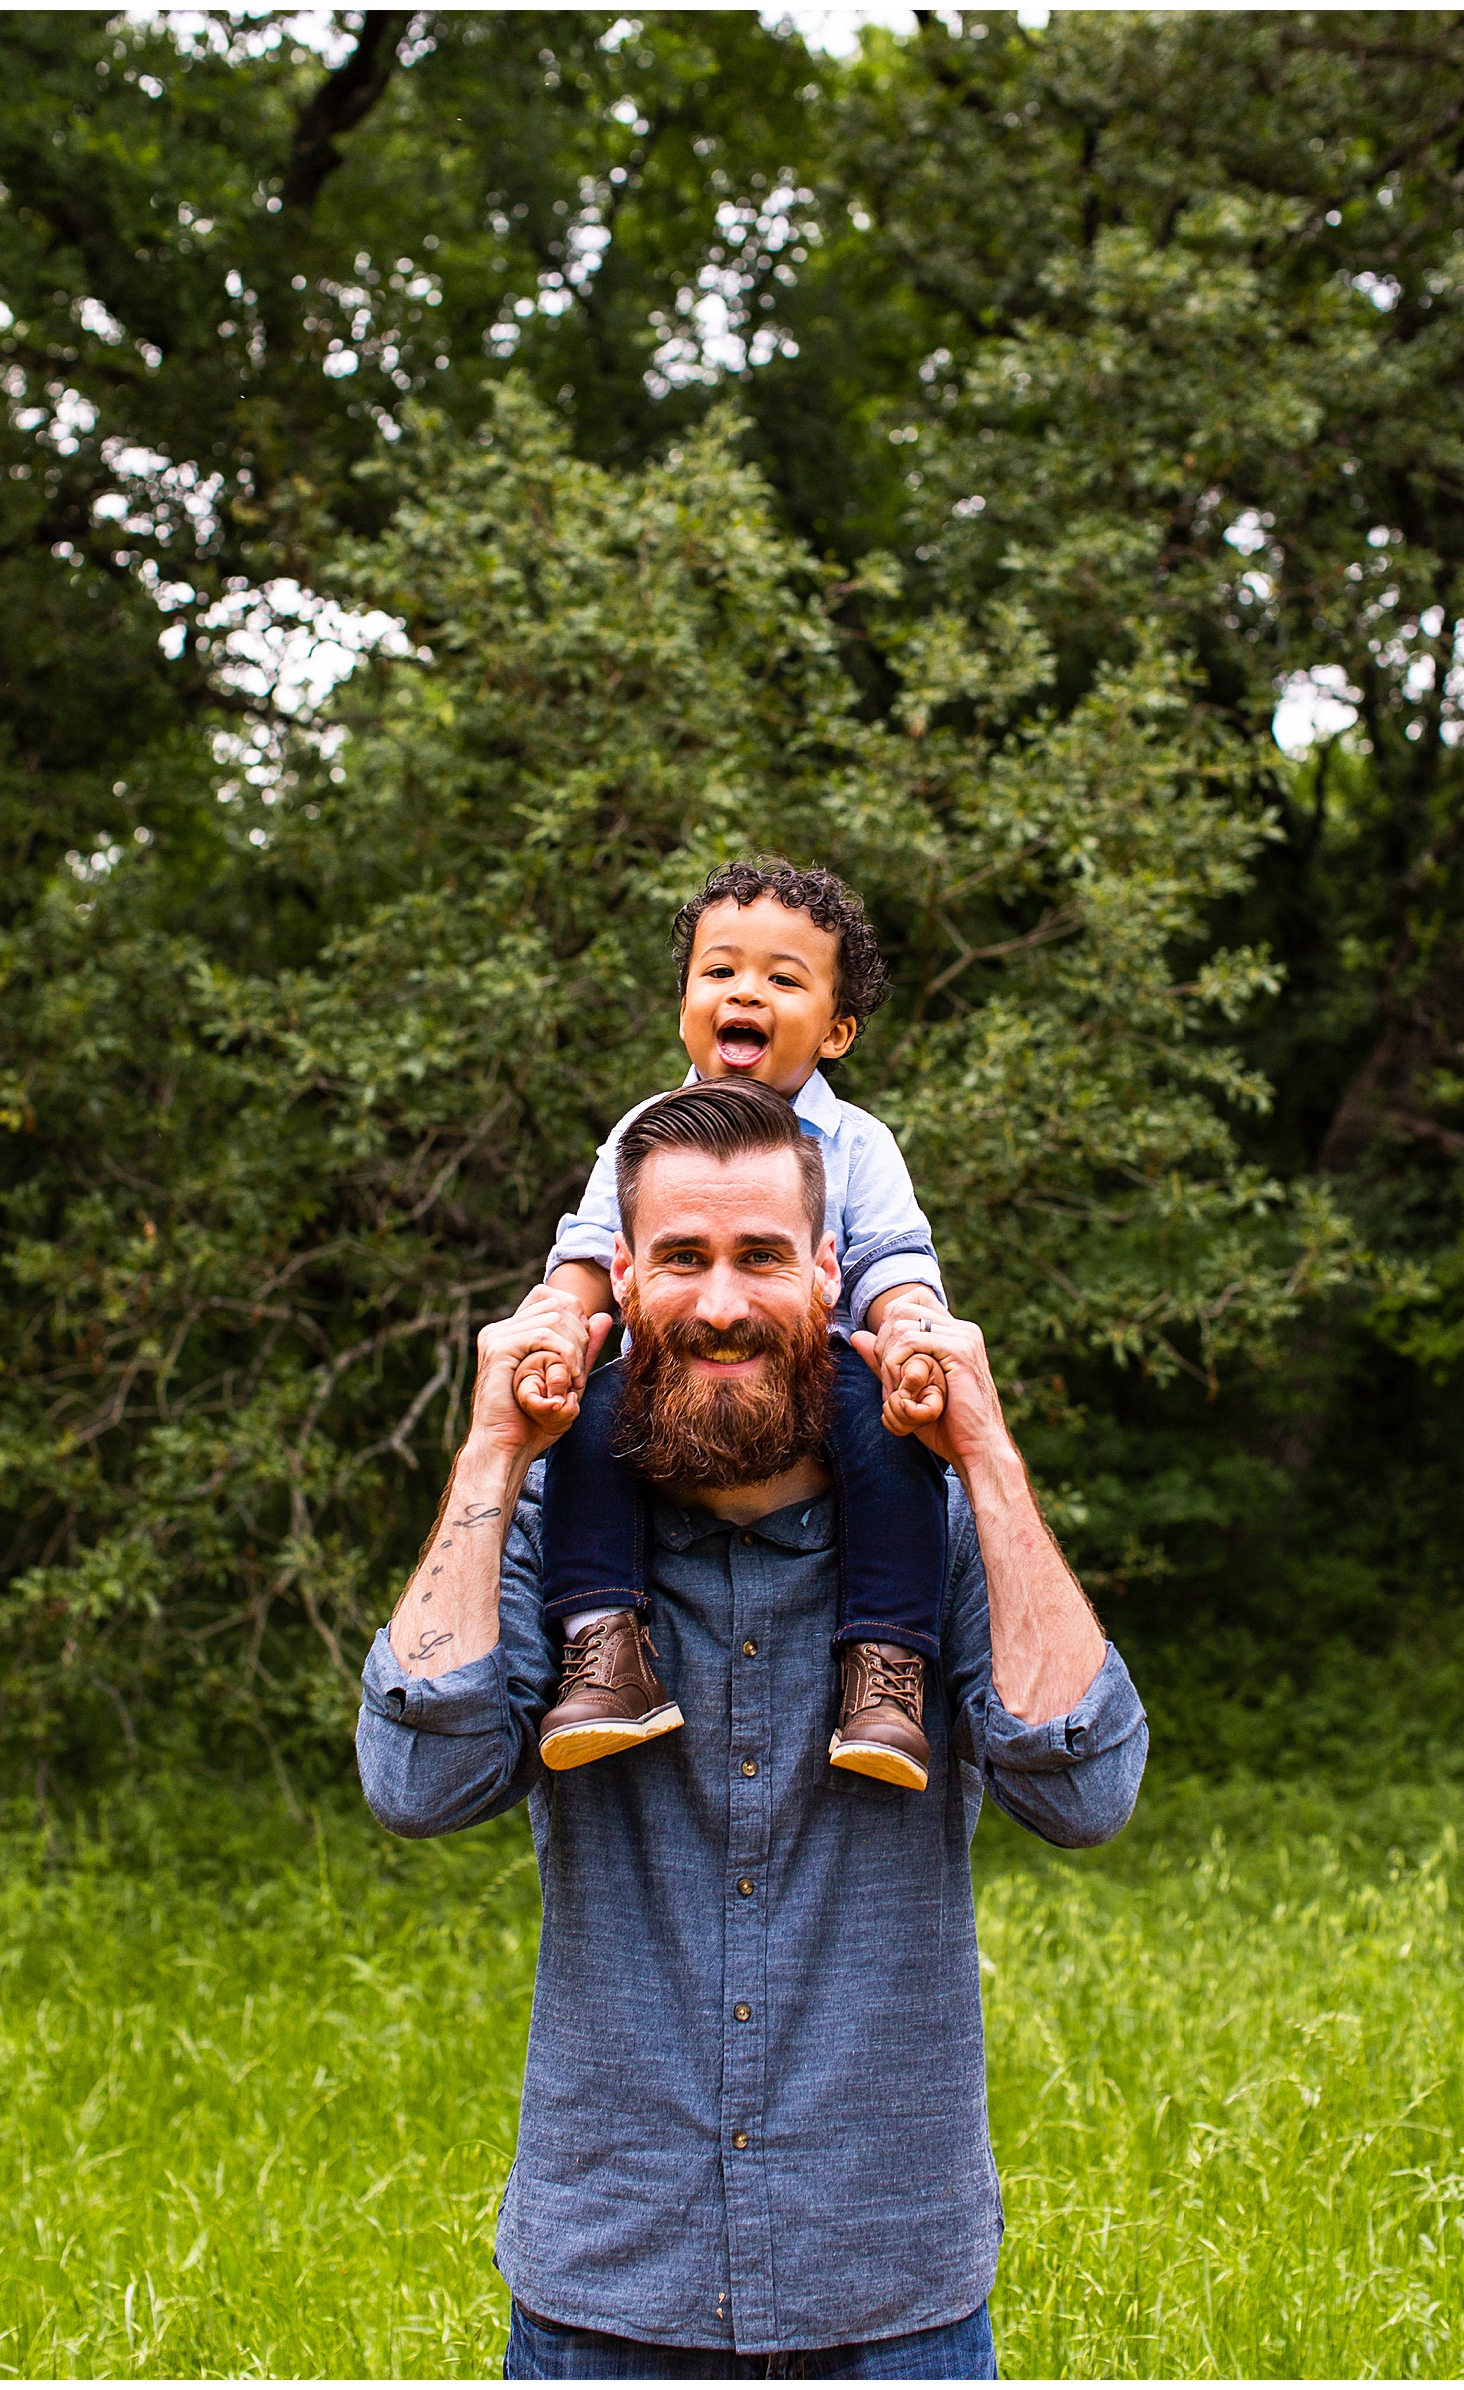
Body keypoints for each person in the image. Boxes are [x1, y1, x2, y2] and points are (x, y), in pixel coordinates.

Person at [357, 1077, 1148, 2380]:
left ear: (831, 1275)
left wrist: (989, 1457)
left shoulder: (940, 1532)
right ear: (622, 1278)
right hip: (608, 2288)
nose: (722, 1301)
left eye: (762, 1256)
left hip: (889, 2293)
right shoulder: (553, 1535)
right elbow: (415, 1778)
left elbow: (1086, 1797)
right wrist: (494, 1453)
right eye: (682, 1257)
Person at [522, 857, 954, 1793]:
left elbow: (891, 1259)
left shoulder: (858, 1143)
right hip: (668, 1368)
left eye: (783, 979)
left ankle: (886, 1670)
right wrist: (554, 1323)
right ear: (684, 1004)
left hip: (820, 1363)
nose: (744, 992)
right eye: (720, 972)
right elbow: (594, 1252)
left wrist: (912, 1330)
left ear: (836, 1030)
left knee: (896, 1443)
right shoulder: (645, 1128)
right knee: (588, 1421)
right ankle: (606, 1648)